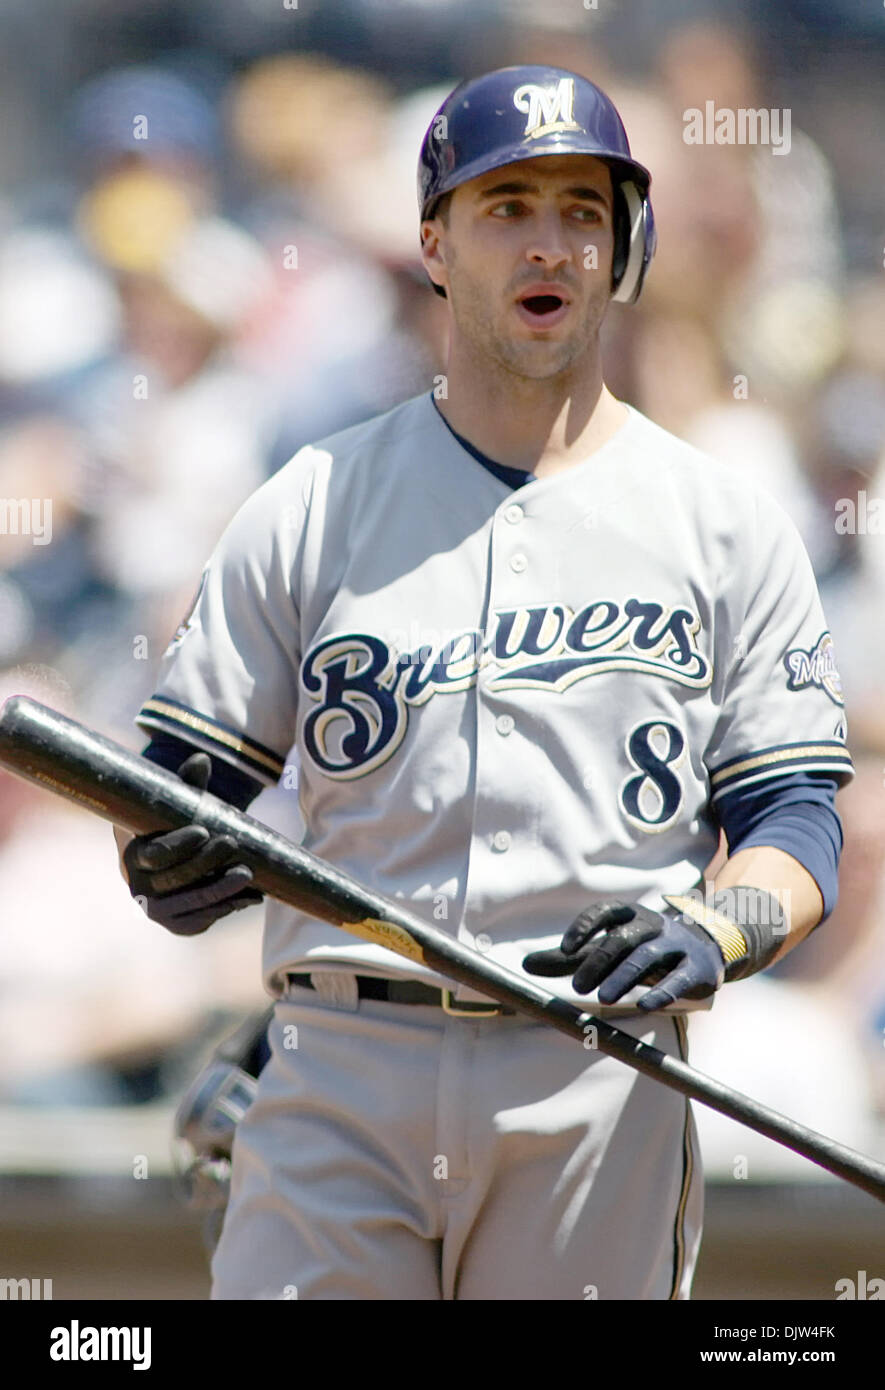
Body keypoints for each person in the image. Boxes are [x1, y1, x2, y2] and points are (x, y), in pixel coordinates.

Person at [115, 66, 854, 1300]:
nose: (549, 240)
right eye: (506, 205)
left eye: (582, 207)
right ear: (434, 244)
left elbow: (798, 822)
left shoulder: (724, 520)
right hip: (344, 1052)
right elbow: (184, 792)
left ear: (625, 246)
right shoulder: (310, 503)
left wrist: (716, 927)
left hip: (593, 1070)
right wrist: (167, 852)